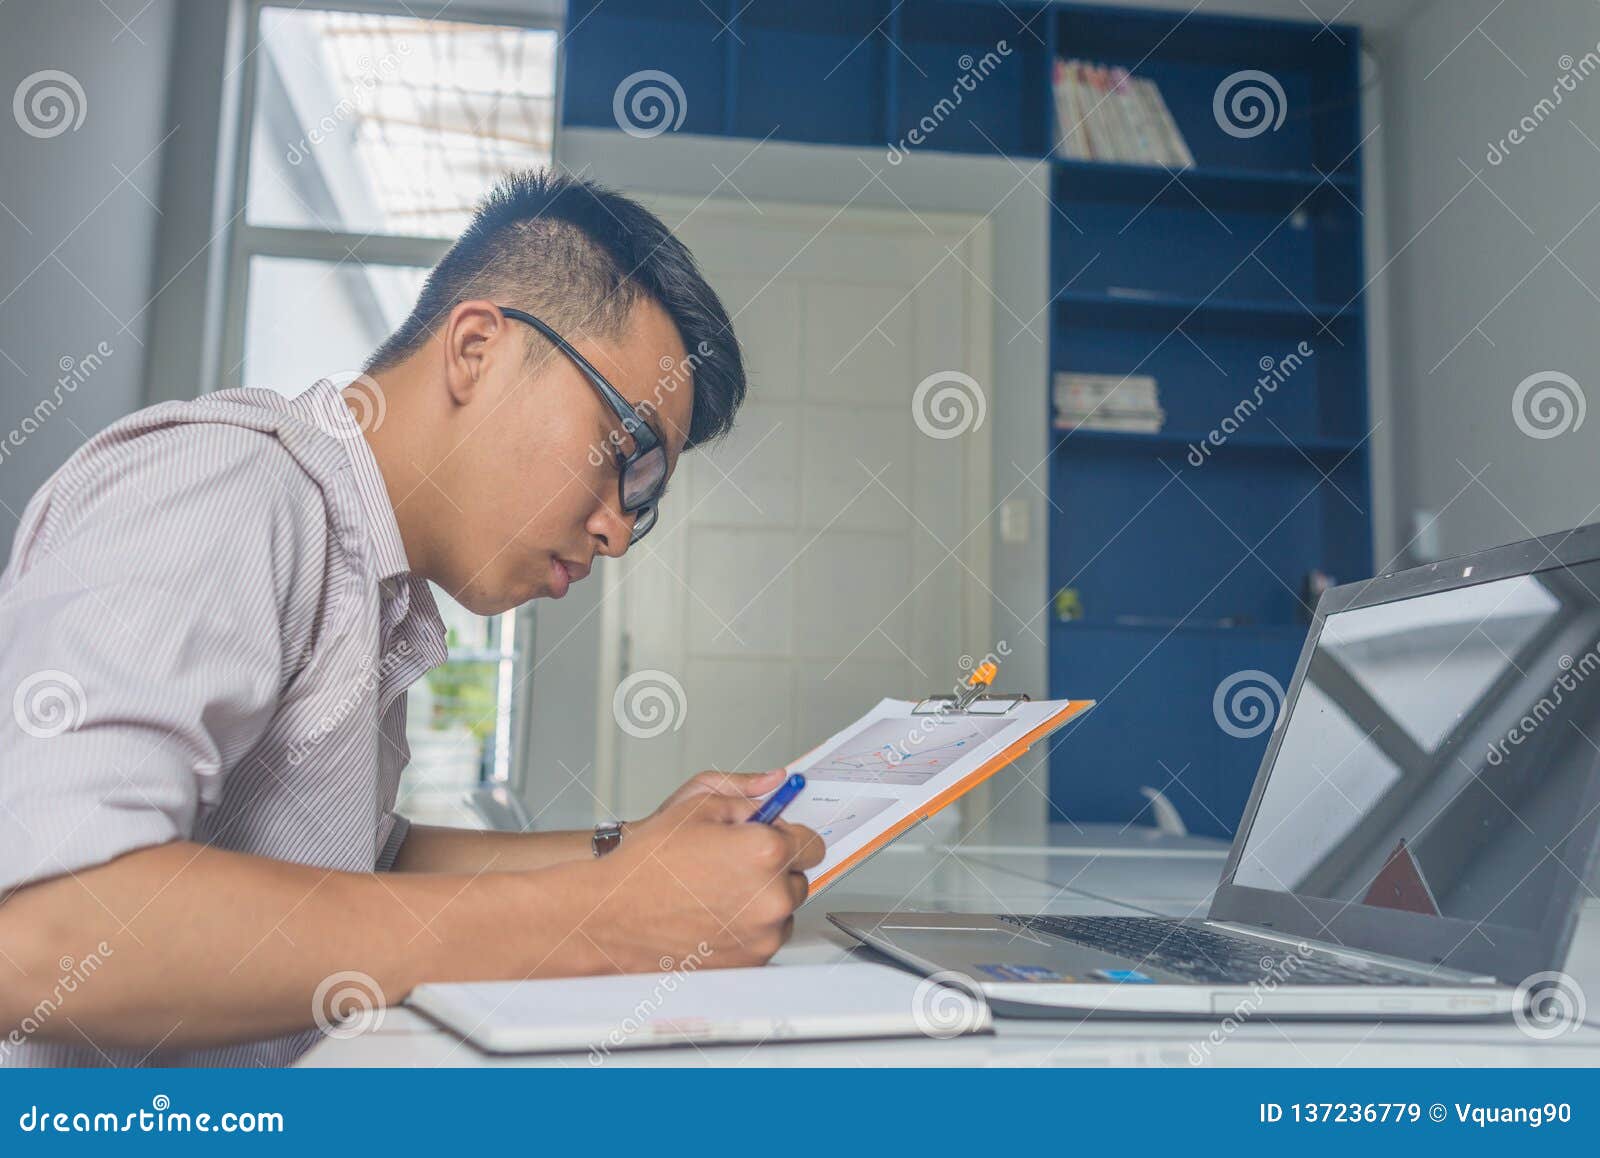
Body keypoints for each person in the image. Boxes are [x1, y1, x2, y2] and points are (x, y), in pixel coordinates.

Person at [0, 169, 823, 1067]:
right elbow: (44, 926)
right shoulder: (231, 487)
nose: (618, 532)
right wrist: (602, 918)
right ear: (475, 349)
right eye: (622, 452)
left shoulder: (369, 575)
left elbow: (351, 866)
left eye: (646, 499)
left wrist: (630, 855)